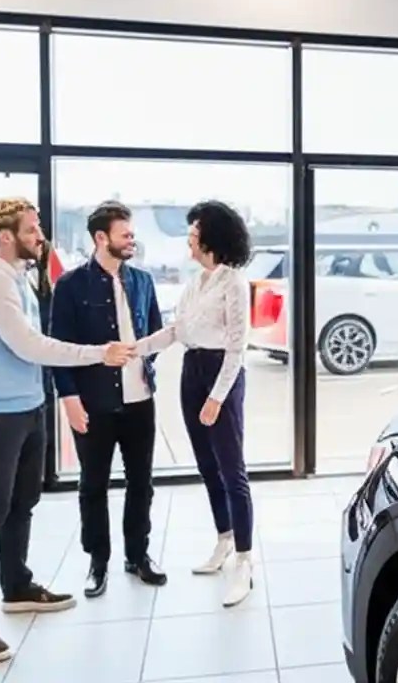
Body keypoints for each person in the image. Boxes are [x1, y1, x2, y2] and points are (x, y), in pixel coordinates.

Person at [0, 197, 136, 663]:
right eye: (33, 229)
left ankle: (16, 585)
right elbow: (30, 345)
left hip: (28, 409)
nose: (41, 235)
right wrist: (98, 352)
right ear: (7, 236)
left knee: (22, 505)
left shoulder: (17, 279)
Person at [133, 200, 254, 607]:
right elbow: (176, 330)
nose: (189, 239)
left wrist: (218, 398)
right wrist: (137, 349)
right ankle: (223, 539)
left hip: (222, 373)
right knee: (207, 466)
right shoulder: (196, 281)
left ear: (211, 237)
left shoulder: (233, 282)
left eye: (193, 232)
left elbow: (237, 347)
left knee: (232, 470)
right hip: (192, 371)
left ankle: (244, 561)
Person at [49, 201, 168, 598]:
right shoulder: (69, 286)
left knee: (142, 483)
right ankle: (97, 561)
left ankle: (139, 555)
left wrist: (146, 356)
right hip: (93, 402)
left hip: (140, 401)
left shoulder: (143, 282)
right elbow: (58, 350)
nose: (131, 239)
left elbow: (154, 333)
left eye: (132, 234)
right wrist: (69, 398)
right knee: (93, 484)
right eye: (125, 234)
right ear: (101, 238)